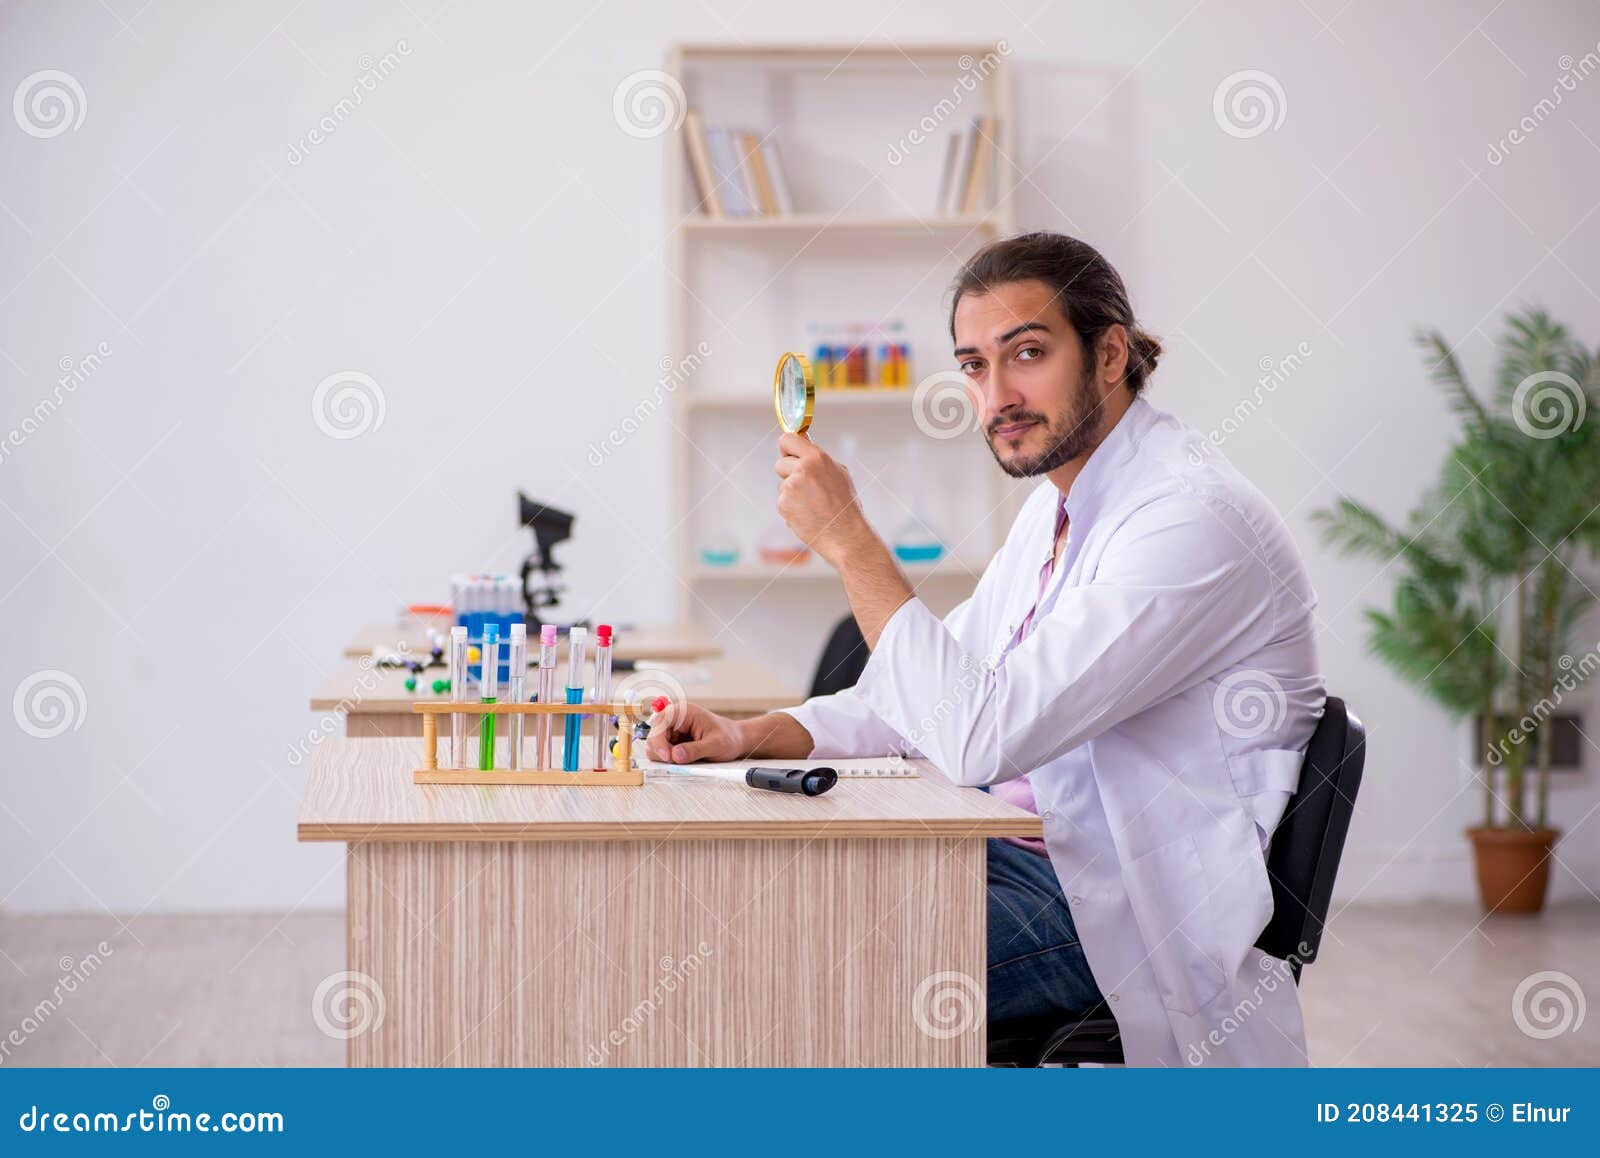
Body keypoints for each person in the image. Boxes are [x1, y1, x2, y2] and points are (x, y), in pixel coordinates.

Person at [647, 231, 1324, 1067]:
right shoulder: (1056, 509)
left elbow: (974, 737)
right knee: (740, 914)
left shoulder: (1190, 518)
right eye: (973, 365)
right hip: (1011, 856)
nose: (996, 394)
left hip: (1111, 914)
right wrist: (753, 734)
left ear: (1111, 354)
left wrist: (850, 542)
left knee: (787, 972)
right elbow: (926, 692)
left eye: (1027, 353)